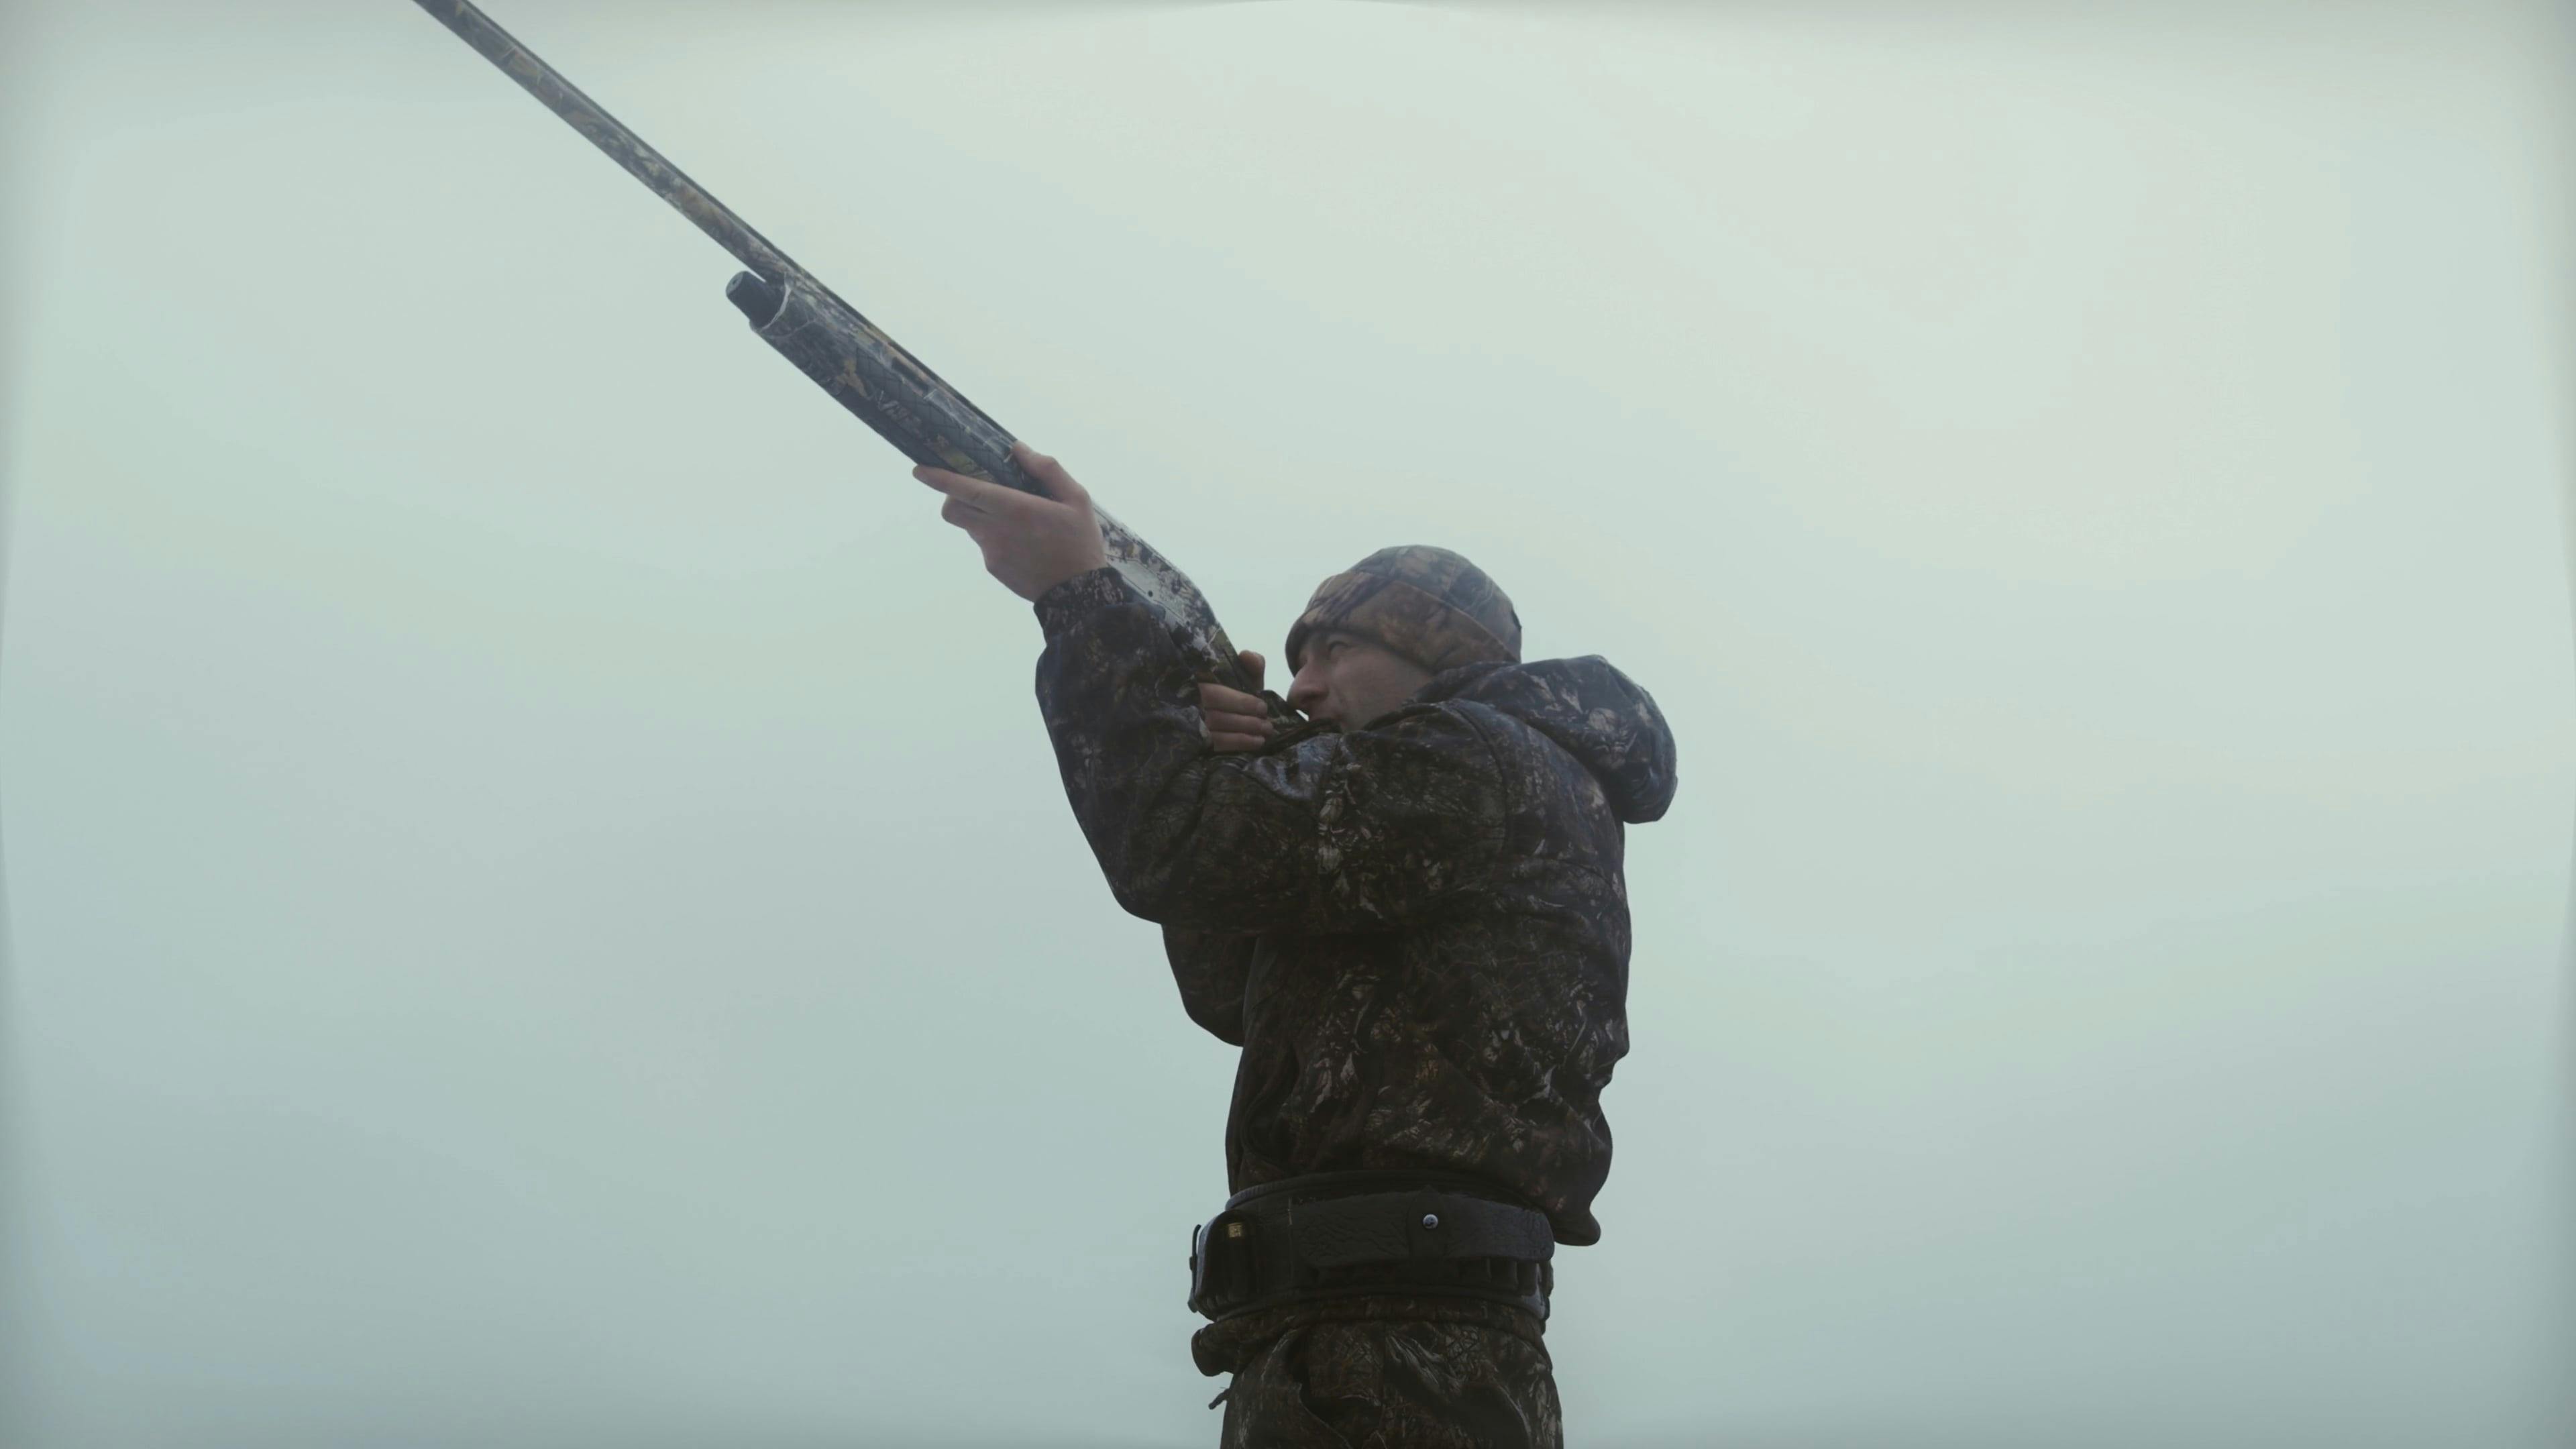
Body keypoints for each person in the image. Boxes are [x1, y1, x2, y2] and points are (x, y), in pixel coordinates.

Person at [917, 444, 1676, 1448]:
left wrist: (1083, 600)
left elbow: (1172, 850)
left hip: (1392, 1352)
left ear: (1436, 657)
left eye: (1336, 651)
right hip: (1359, 1338)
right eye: (1298, 659)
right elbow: (1237, 989)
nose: (1306, 685)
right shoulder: (1471, 781)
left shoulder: (1475, 759)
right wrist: (1240, 762)